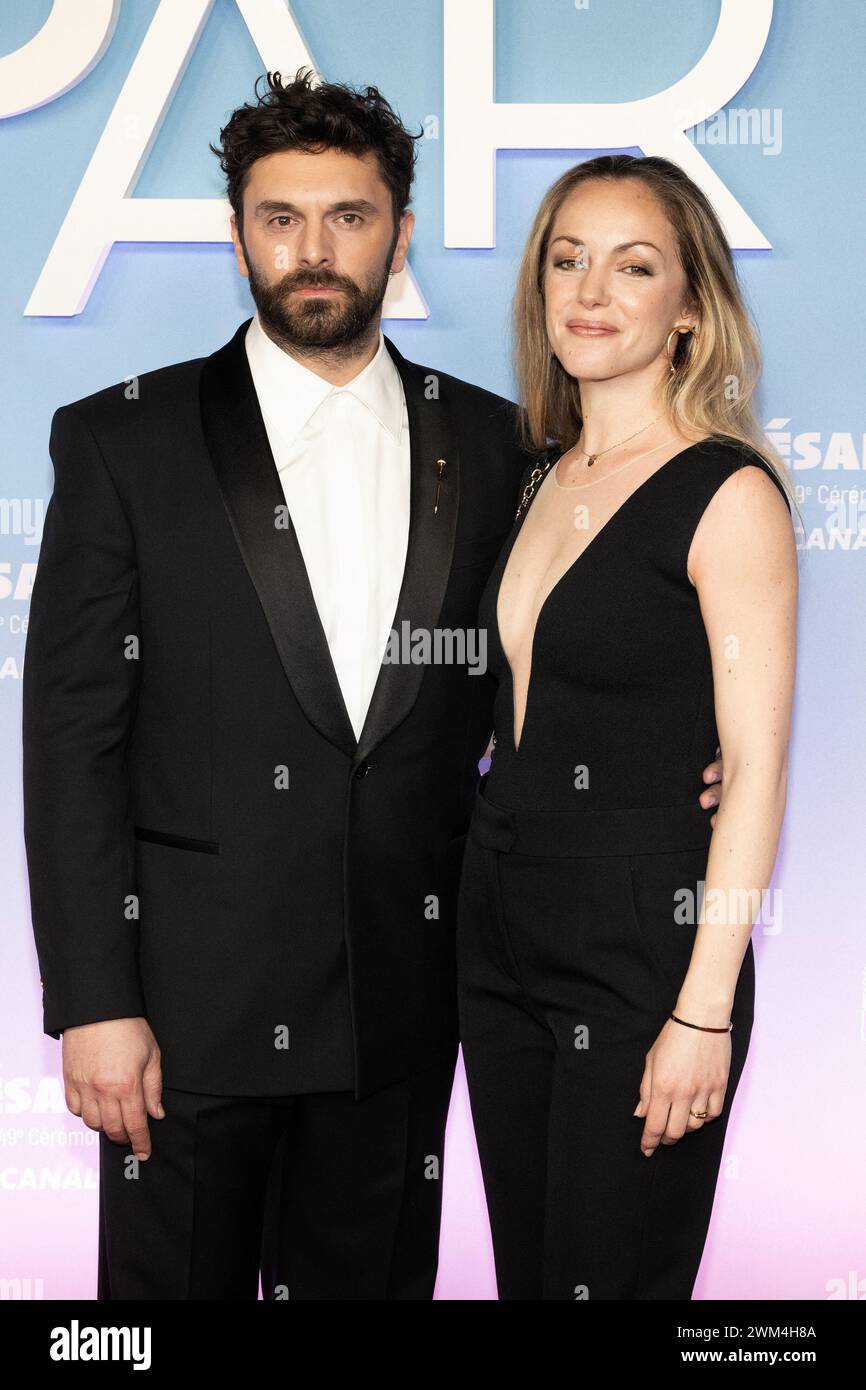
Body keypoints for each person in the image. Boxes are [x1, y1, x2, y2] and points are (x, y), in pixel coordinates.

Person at [21, 69, 724, 1299]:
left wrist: (675, 765)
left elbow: (565, 660)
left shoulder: (510, 445)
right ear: (236, 235)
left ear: (398, 236)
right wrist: (92, 999)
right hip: (183, 1019)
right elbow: (70, 738)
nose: (312, 248)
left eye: (347, 215)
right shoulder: (120, 439)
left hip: (407, 1008)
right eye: (278, 215)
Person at [456, 153, 797, 1300]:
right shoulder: (534, 475)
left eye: (633, 264)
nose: (590, 289)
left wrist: (700, 1009)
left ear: (688, 307)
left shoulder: (725, 491)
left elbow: (749, 766)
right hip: (497, 923)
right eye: (567, 259)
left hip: (641, 944)